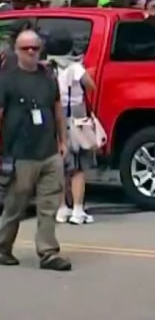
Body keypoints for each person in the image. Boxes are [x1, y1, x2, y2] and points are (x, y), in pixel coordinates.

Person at [0, 29, 72, 270]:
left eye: (35, 47)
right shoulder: (7, 80)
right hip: (20, 154)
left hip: (49, 152)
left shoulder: (48, 77)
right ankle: (2, 247)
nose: (31, 52)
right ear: (16, 51)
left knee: (48, 206)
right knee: (15, 206)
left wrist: (63, 142)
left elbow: (57, 110)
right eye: (25, 48)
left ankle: (48, 253)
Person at [46, 31, 99, 226]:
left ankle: (62, 209)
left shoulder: (47, 68)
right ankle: (77, 210)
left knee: (59, 166)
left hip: (53, 118)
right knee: (78, 168)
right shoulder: (75, 67)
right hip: (76, 119)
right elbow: (91, 86)